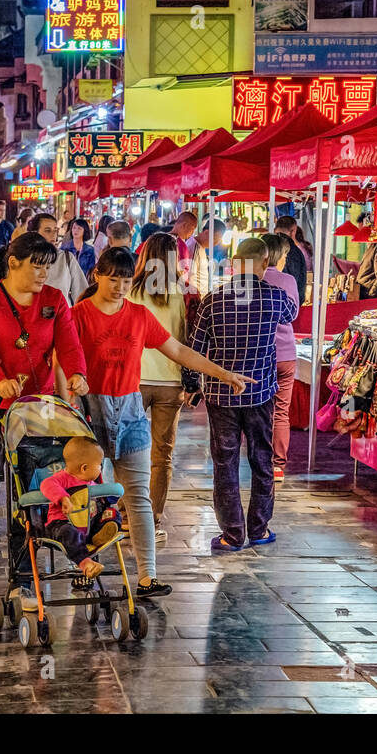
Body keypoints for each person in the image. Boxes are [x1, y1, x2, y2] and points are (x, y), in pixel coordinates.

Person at [70, 246, 251, 595]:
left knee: (138, 497)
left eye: (126, 280)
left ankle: (147, 577)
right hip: (89, 415)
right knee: (83, 494)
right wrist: (67, 398)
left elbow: (179, 351)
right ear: (97, 276)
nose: (120, 287)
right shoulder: (78, 316)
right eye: (113, 280)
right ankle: (83, 566)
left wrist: (222, 374)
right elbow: (62, 360)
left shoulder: (139, 316)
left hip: (132, 412)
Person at [0, 233, 90, 599]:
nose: (44, 273)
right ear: (13, 263)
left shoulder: (54, 300)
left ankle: (22, 574)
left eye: (48, 266)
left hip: (35, 410)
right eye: (37, 266)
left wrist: (77, 373)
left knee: (28, 494)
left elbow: (69, 343)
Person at [192, 237, 297, 552]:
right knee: (261, 460)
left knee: (225, 463)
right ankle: (259, 529)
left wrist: (189, 385)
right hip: (260, 394)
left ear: (234, 263)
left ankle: (232, 534)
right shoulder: (276, 296)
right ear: (265, 264)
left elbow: (195, 347)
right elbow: (291, 313)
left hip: (220, 395)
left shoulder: (212, 299)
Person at [131, 233, 197, 543]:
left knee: (125, 452)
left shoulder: (130, 291)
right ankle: (152, 520)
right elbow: (184, 339)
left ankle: (123, 512)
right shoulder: (181, 293)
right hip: (171, 383)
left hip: (134, 381)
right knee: (162, 456)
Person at [39, 437, 121, 579]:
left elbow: (105, 499)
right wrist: (63, 498)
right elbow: (47, 484)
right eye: (99, 465)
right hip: (63, 523)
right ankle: (85, 564)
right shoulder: (62, 478)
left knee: (113, 513)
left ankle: (101, 534)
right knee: (68, 533)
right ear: (84, 468)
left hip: (90, 523)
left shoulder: (91, 483)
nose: (101, 468)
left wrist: (110, 495)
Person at [259, 233, 302, 484]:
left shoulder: (253, 280)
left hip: (259, 352)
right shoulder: (288, 280)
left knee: (261, 409)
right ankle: (277, 465)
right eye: (285, 255)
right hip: (285, 354)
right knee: (281, 412)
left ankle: (262, 460)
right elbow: (292, 314)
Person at [29, 212, 87, 306]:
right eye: (48, 230)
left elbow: (81, 295)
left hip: (62, 318)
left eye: (55, 230)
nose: (53, 235)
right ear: (34, 233)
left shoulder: (66, 259)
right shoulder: (25, 259)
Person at [273, 215, 308, 303]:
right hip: (288, 306)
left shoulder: (268, 247)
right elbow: (294, 281)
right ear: (293, 231)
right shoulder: (293, 251)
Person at [191, 218, 226, 297]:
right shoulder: (194, 248)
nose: (216, 243)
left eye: (218, 240)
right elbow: (189, 279)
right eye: (214, 239)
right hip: (195, 299)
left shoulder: (201, 247)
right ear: (206, 232)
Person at [171, 211, 198, 279]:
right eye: (192, 229)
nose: (191, 233)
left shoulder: (159, 239)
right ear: (184, 225)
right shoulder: (180, 244)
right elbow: (183, 273)